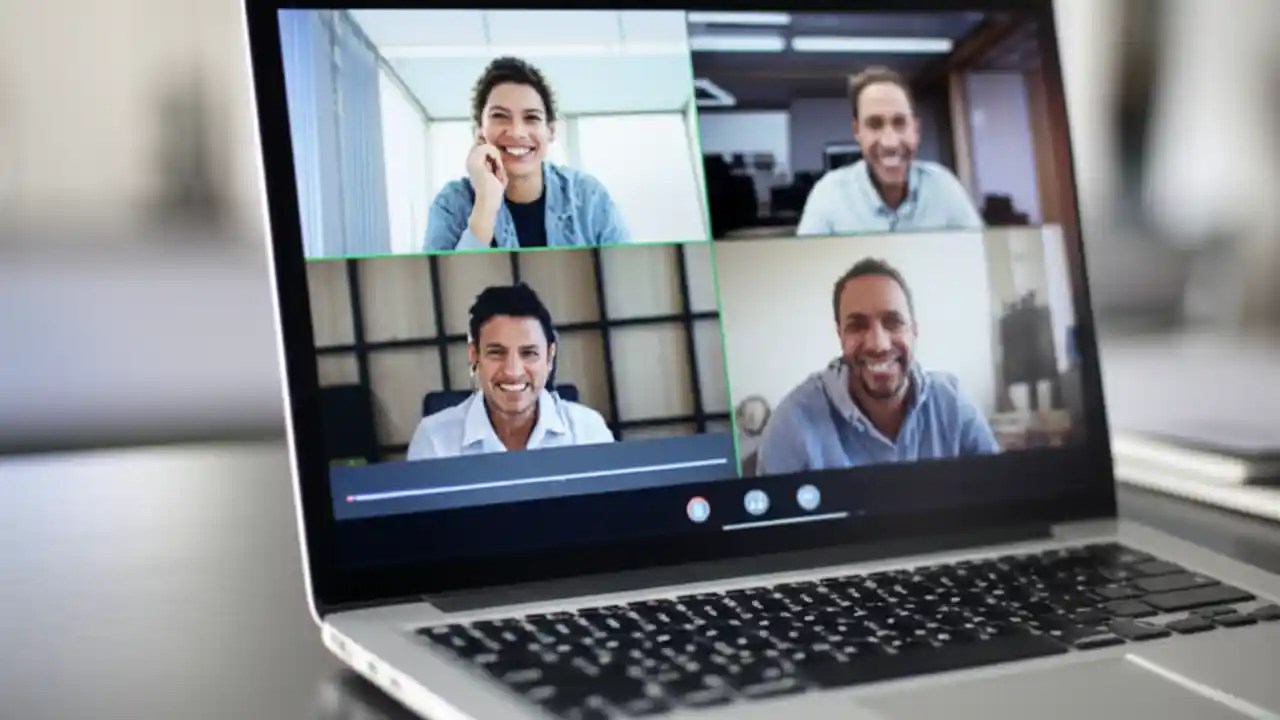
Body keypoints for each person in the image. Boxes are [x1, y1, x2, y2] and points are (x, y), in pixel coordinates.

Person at [757, 258, 999, 474]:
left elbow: (998, 498)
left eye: (893, 322)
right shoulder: (792, 423)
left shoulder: (952, 403)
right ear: (840, 335)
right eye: (857, 326)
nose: (878, 345)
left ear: (914, 331)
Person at [424, 57, 630, 250]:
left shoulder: (588, 198)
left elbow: (625, 279)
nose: (517, 132)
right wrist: (486, 202)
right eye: (500, 116)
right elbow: (447, 288)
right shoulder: (452, 203)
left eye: (531, 118)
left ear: (550, 131)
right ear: (478, 130)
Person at [407, 283, 614, 459]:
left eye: (529, 353)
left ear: (550, 357)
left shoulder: (588, 432)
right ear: (474, 356)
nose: (513, 372)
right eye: (496, 353)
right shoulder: (433, 441)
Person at [796, 67, 984, 236]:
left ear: (916, 130)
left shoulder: (944, 187)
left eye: (900, 123)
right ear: (857, 132)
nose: (890, 143)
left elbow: (980, 260)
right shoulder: (829, 193)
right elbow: (807, 270)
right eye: (875, 124)